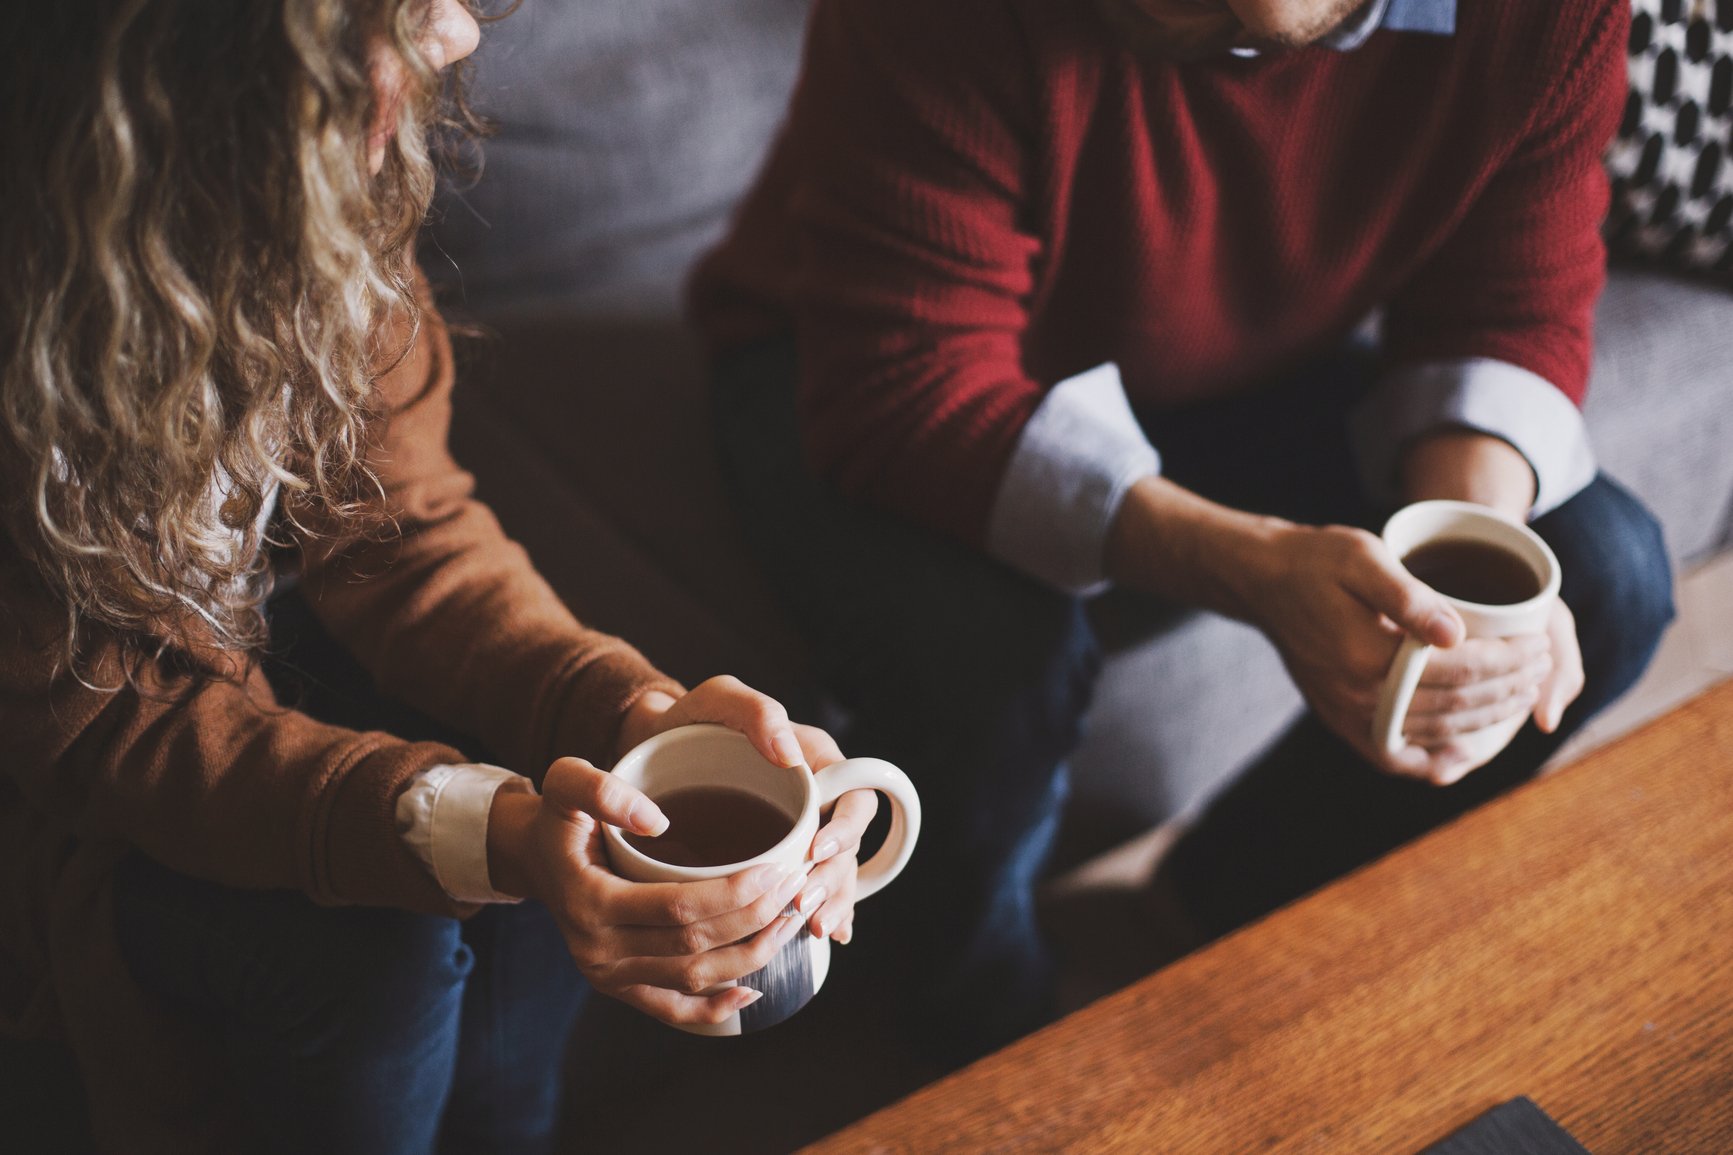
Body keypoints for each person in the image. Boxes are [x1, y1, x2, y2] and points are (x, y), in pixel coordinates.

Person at [689, 0, 1675, 1058]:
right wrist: (1251, 569)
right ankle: (978, 1049)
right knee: (992, 669)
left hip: (1217, 368)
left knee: (1599, 578)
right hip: (844, 355)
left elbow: (1505, 292)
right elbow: (907, 379)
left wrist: (1456, 593)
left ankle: (1213, 905)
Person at [0, 3, 874, 1151]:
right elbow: (115, 730)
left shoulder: (320, 180)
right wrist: (501, 835)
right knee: (386, 960)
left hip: (248, 665)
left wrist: (635, 719)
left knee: (547, 822)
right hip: (69, 817)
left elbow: (402, 529)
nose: (457, 34)